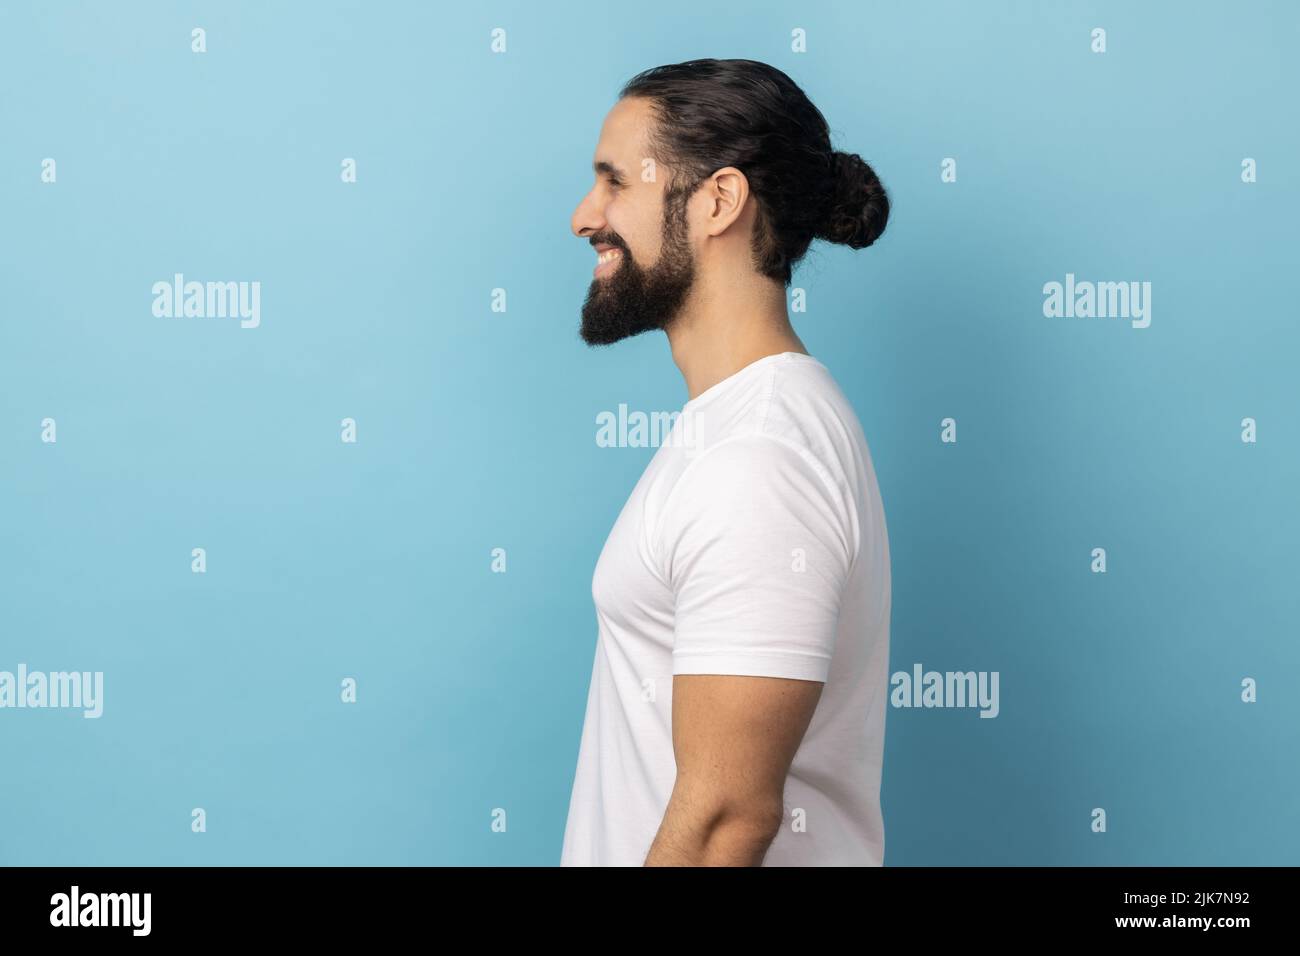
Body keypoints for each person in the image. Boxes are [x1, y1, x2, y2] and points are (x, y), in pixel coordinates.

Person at [562, 58, 892, 866]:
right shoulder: (735, 427)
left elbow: (725, 820)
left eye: (616, 182)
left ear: (718, 201)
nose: (584, 216)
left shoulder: (759, 456)